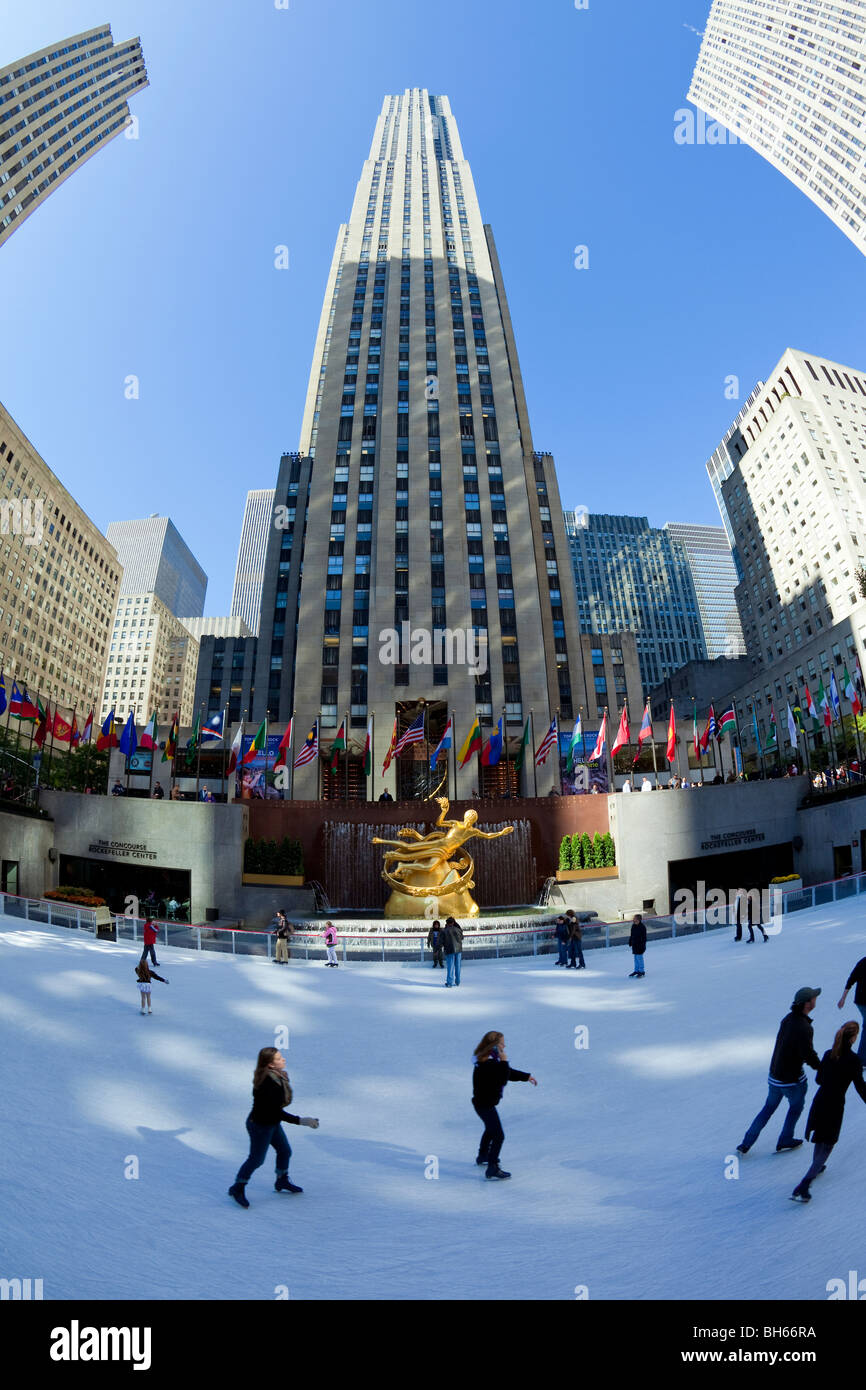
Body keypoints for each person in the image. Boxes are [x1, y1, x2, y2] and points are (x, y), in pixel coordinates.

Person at [228, 1047, 319, 1208]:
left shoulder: (277, 1077)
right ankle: (237, 1188)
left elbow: (275, 1113)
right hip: (260, 1125)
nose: (283, 1059)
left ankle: (281, 1180)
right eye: (278, 1058)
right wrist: (303, 1121)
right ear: (270, 1065)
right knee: (256, 1160)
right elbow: (276, 1112)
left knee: (285, 1151)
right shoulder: (268, 1084)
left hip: (270, 1122)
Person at [737, 987, 822, 1155]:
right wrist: (822, 1068)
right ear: (807, 1004)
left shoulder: (788, 1019)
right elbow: (808, 1054)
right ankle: (785, 1138)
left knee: (768, 1108)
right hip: (791, 1079)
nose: (816, 1000)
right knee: (796, 1107)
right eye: (814, 998)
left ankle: (746, 1143)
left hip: (774, 1075)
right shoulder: (804, 1027)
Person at [790, 1021, 866, 1201]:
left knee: (820, 1138)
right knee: (828, 1143)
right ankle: (805, 1184)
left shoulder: (828, 1054)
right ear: (854, 1038)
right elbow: (860, 1086)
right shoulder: (854, 1061)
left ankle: (817, 1166)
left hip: (820, 1100)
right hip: (835, 1105)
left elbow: (819, 1080)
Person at [472, 1031, 537, 1181]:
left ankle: (483, 1155)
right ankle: (492, 1167)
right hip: (484, 1104)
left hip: (484, 1103)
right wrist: (504, 1060)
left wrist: (525, 1077)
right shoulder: (487, 1062)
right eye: (502, 1043)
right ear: (495, 1045)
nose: (505, 1045)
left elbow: (506, 1073)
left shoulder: (489, 1059)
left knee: (490, 1129)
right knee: (498, 1135)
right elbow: (502, 1077)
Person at [837, 955, 866, 1062]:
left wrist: (843, 998)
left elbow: (851, 979)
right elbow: (852, 979)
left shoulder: (862, 962)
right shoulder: (863, 963)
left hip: (859, 1001)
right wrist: (843, 998)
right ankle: (862, 1059)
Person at [443, 915, 463, 987]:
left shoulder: (445, 930)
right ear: (454, 922)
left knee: (450, 967)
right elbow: (462, 937)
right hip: (458, 950)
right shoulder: (458, 929)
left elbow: (441, 941)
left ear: (447, 923)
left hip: (449, 950)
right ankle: (457, 981)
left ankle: (449, 983)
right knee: (458, 966)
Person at [628, 913, 647, 978]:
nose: (633, 919)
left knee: (639, 959)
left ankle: (641, 971)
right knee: (636, 959)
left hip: (640, 946)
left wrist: (642, 946)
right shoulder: (633, 926)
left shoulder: (642, 927)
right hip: (634, 945)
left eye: (634, 918)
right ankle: (636, 971)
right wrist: (630, 942)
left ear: (638, 920)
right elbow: (632, 935)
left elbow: (644, 938)